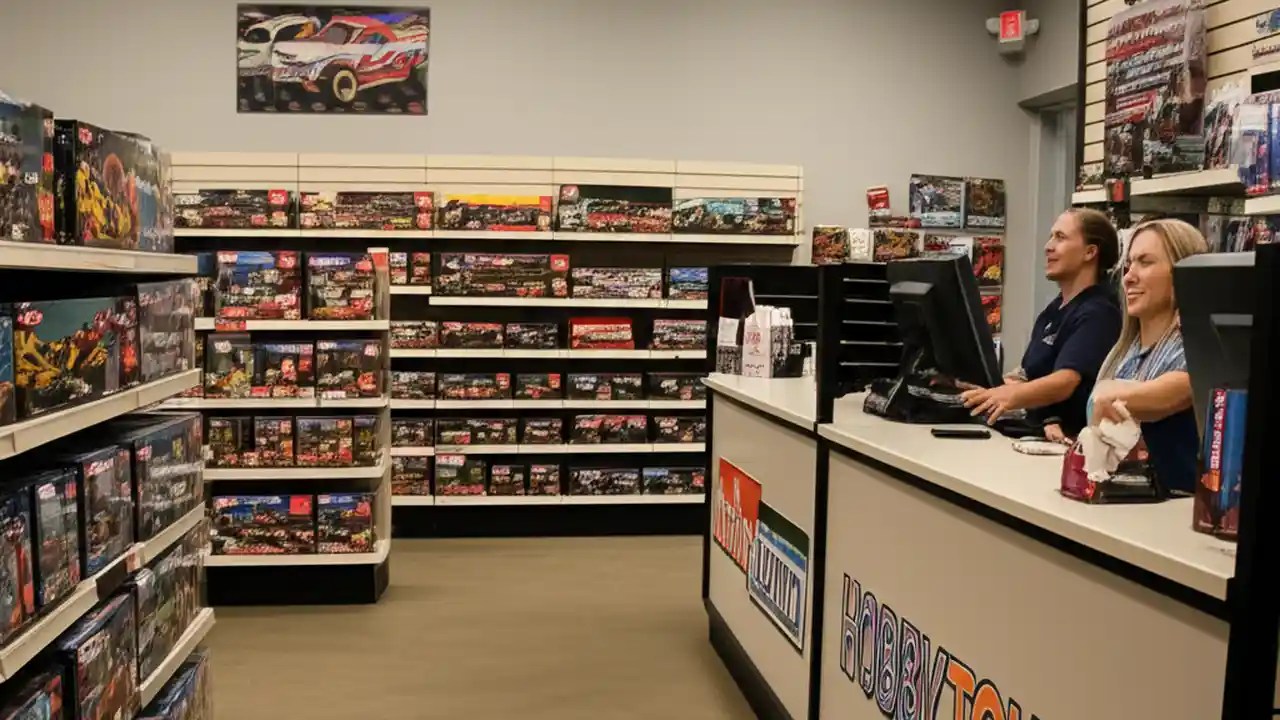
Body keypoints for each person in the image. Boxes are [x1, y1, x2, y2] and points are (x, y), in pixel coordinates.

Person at [961, 208, 1122, 440]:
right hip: (1038, 431)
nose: (1048, 246)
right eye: (1051, 237)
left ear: (1090, 252)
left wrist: (1007, 396)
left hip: (1068, 444)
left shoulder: (1099, 312)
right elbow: (1029, 375)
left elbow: (1065, 382)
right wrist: (984, 390)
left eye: (1061, 237)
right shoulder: (1056, 308)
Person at [1088, 218, 1207, 496]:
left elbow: (1175, 391)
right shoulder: (1123, 351)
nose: (1129, 276)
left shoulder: (1195, 347)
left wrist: (1108, 395)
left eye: (1146, 262)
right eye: (1129, 264)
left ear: (1182, 273)